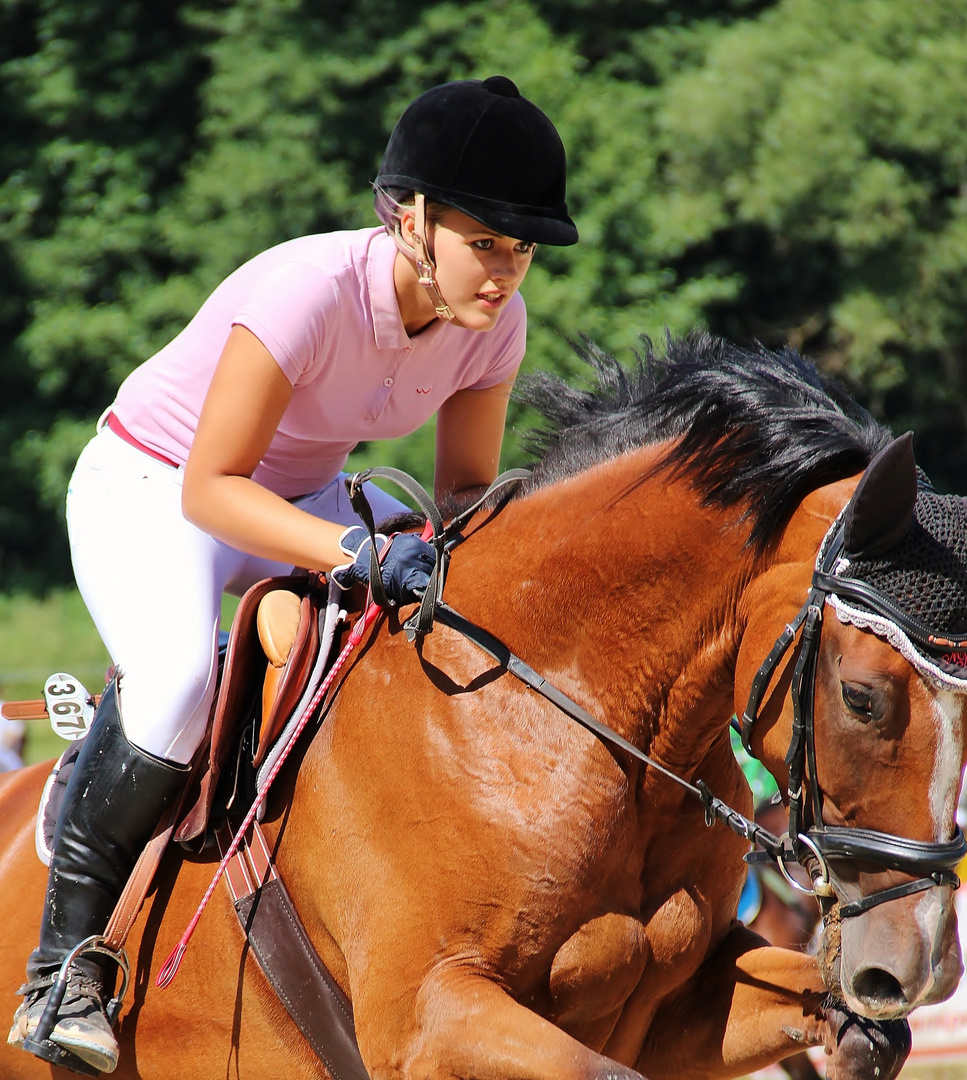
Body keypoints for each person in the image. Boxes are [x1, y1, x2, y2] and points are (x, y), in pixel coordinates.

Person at [8, 74, 577, 1075]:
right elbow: (213, 491)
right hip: (155, 485)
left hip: (303, 496)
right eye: (485, 242)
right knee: (181, 674)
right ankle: (60, 971)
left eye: (521, 250)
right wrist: (361, 553)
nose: (505, 273)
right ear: (413, 218)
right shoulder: (306, 289)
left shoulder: (494, 327)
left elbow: (463, 498)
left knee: (454, 595)